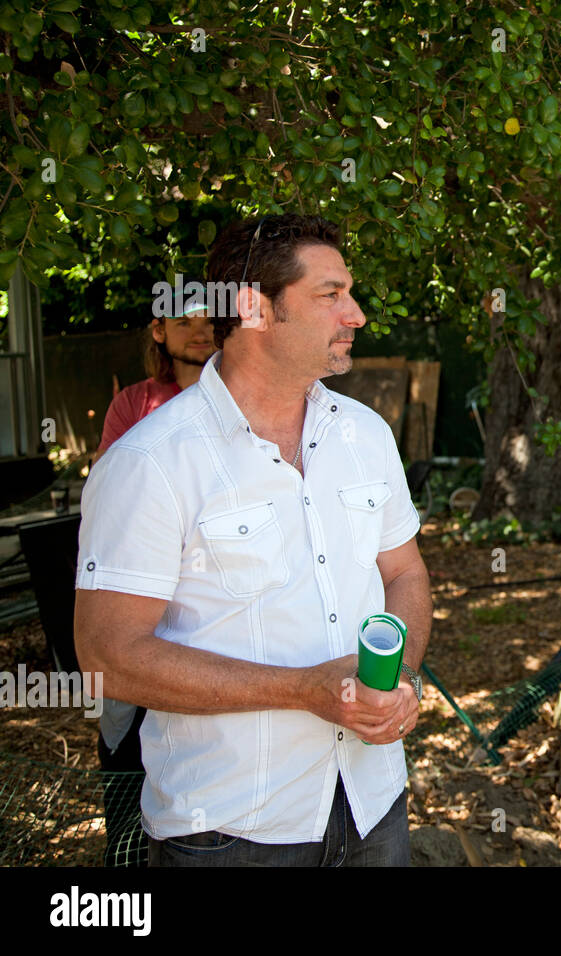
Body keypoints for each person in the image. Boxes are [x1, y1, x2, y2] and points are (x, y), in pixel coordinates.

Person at [74, 214, 431, 866]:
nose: (354, 315)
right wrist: (302, 690)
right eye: (330, 295)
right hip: (232, 832)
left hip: (374, 803)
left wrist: (397, 677)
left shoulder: (366, 435)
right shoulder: (150, 463)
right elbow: (108, 657)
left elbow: (404, 574)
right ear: (254, 308)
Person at [93, 299, 215, 868]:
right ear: (159, 330)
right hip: (140, 602)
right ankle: (124, 867)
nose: (199, 329)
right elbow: (114, 502)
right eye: (183, 319)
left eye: (208, 317)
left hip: (208, 611)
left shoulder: (235, 403)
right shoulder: (135, 404)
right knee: (125, 742)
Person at [97, 300, 215, 454]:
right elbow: (107, 474)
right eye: (184, 323)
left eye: (211, 322)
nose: (199, 336)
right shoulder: (132, 403)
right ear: (159, 331)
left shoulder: (244, 395)